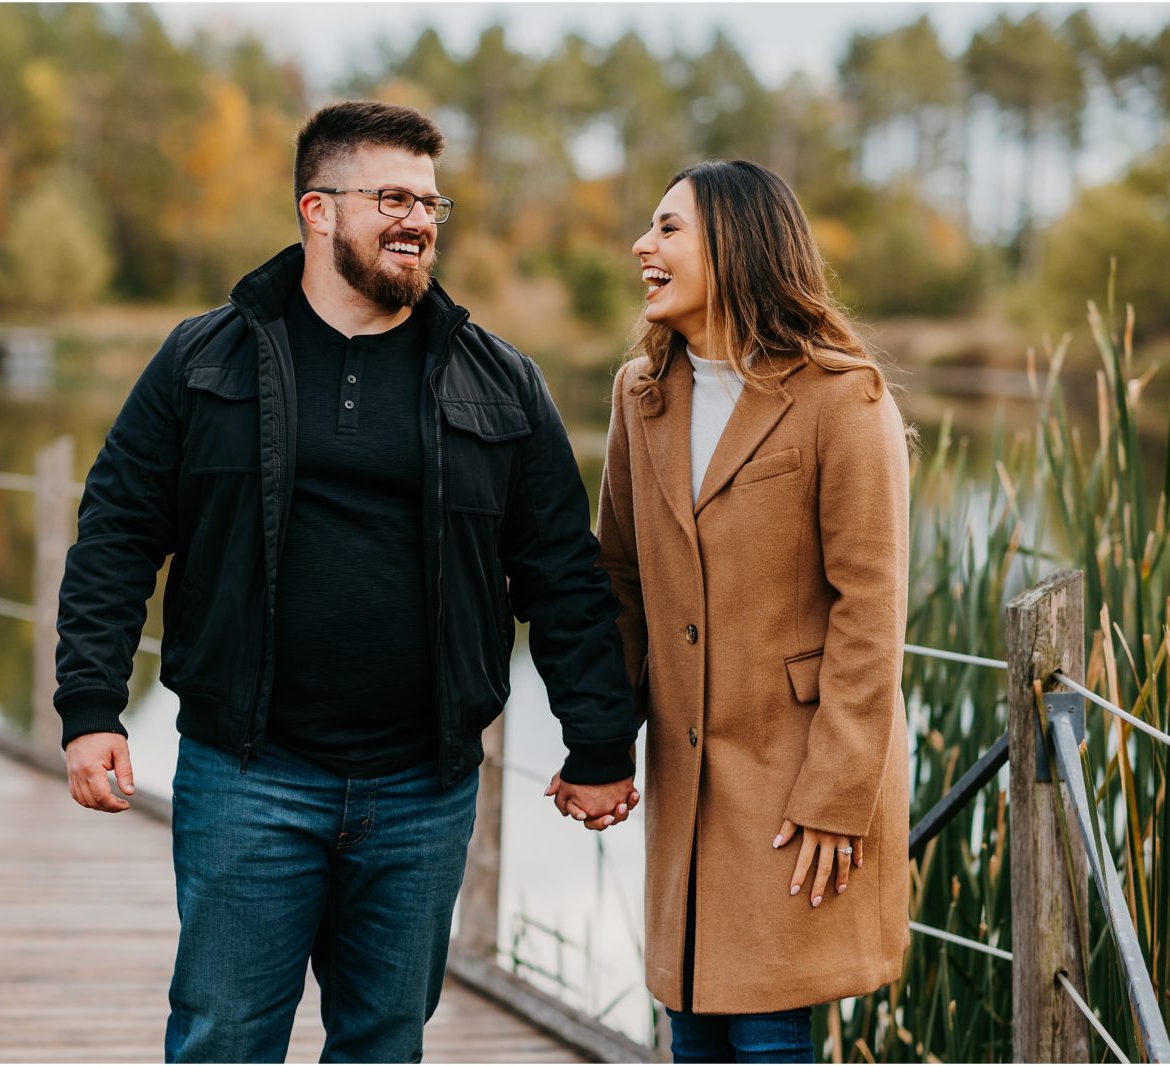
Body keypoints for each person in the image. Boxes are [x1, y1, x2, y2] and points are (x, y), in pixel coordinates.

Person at [51, 100, 640, 1064]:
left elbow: (563, 576)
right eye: (394, 197)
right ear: (317, 209)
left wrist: (600, 737)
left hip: (424, 788)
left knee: (383, 1044)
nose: (419, 221)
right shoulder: (203, 360)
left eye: (433, 203)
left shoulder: (501, 382)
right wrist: (91, 709)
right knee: (223, 1041)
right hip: (249, 777)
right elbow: (117, 534)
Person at [586, 160, 912, 1063]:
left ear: (736, 245)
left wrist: (838, 799)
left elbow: (871, 611)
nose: (643, 248)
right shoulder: (639, 395)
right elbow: (616, 579)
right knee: (689, 1026)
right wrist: (599, 742)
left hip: (799, 783)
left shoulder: (844, 397)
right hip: (686, 780)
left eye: (667, 229)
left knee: (770, 1033)